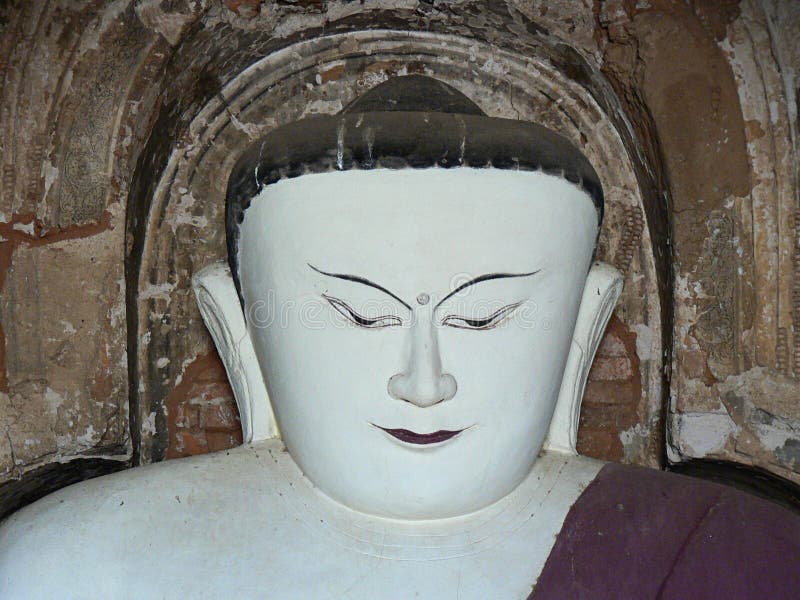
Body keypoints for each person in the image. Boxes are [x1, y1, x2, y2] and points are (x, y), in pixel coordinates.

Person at [0, 76, 797, 599]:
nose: (424, 380)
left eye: (482, 318)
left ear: (583, 325)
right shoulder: (73, 565)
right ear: (240, 327)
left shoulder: (728, 554)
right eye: (358, 314)